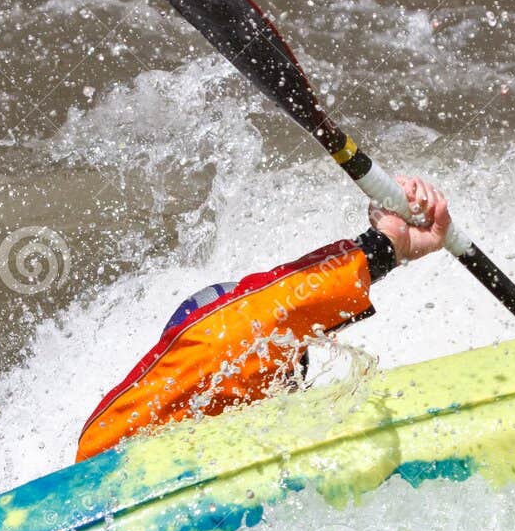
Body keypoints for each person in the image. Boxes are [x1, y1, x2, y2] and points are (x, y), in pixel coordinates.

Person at [76, 177, 450, 460]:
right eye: (271, 365)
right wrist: (382, 248)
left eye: (290, 372)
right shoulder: (115, 438)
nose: (284, 381)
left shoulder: (292, 459)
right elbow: (240, 328)